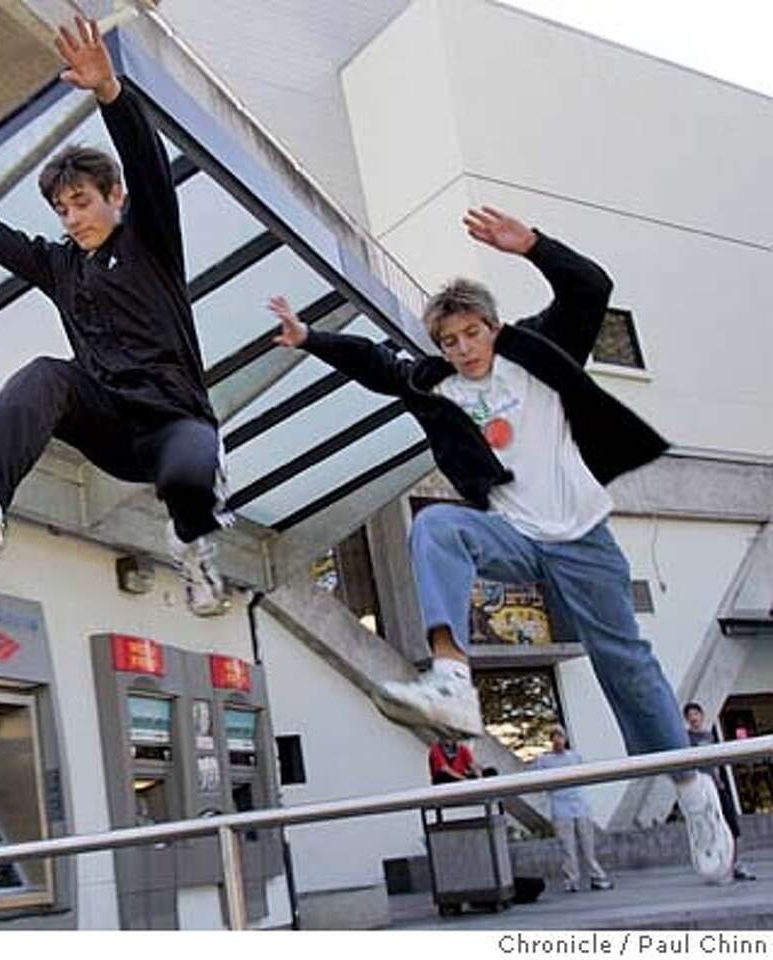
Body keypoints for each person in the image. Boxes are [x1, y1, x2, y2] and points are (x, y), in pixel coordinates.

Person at [268, 207, 734, 883]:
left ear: (493, 327)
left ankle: (693, 795)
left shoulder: (537, 354)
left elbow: (590, 291)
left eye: (472, 333)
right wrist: (310, 336)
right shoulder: (439, 383)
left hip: (582, 538)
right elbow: (377, 363)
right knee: (435, 526)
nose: (463, 348)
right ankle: (451, 674)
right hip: (513, 538)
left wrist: (534, 247)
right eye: (450, 340)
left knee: (624, 665)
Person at [0, 16, 229, 616]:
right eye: (62, 209)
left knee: (186, 476)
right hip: (110, 425)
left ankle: (196, 542)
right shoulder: (59, 265)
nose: (73, 218)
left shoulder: (149, 241)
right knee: (47, 373)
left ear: (114, 198)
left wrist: (110, 93)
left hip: (175, 420)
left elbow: (150, 166)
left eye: (82, 203)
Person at [533, 726, 614, 893]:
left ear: (565, 738)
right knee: (567, 846)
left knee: (587, 844)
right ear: (551, 740)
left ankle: (596, 876)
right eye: (554, 737)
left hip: (580, 805)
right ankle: (572, 880)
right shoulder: (544, 761)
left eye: (560, 736)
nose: (558, 740)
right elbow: (535, 780)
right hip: (560, 806)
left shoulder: (575, 757)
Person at [684, 701, 757, 880]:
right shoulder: (686, 740)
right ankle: (719, 867)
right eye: (690, 715)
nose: (694, 718)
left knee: (732, 825)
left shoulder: (710, 736)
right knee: (712, 829)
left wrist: (721, 781)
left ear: (702, 716)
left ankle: (735, 863)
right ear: (686, 719)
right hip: (703, 791)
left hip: (719, 787)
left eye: (696, 714)